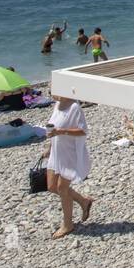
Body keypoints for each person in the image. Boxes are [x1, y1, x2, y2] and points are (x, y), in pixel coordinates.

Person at [42, 94, 93, 239]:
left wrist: (61, 132)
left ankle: (67, 224)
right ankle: (83, 201)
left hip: (70, 153)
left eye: (54, 90)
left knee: (62, 188)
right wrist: (49, 146)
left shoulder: (74, 107)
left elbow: (83, 131)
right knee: (51, 186)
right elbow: (52, 128)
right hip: (56, 152)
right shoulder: (57, 105)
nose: (51, 93)